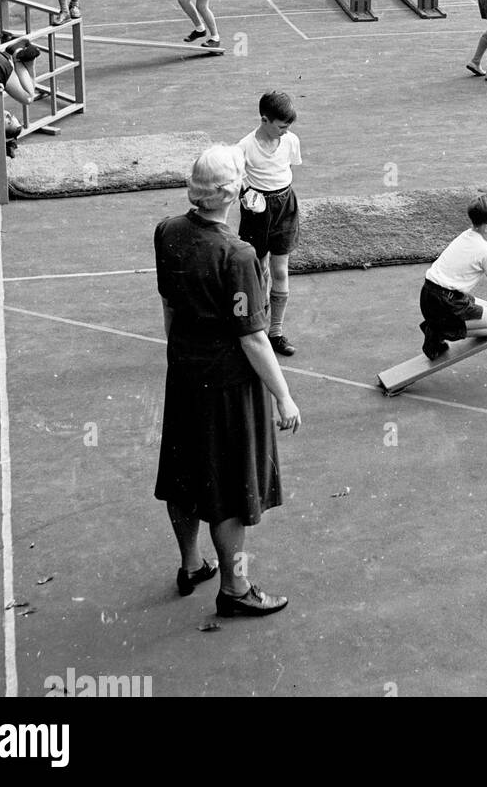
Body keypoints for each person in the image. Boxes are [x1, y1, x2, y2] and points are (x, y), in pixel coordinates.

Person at [154, 144, 300, 618]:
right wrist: (284, 397)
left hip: (184, 376)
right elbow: (254, 339)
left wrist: (181, 353)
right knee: (231, 491)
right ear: (230, 192)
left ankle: (192, 564)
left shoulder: (167, 232)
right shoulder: (237, 255)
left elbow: (170, 307)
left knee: (183, 476)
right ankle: (235, 588)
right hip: (228, 388)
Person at [419, 192, 487, 360]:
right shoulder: (486, 251)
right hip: (446, 303)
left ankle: (439, 323)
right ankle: (439, 330)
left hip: (431, 294)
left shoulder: (467, 235)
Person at [237, 91, 303, 357]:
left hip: (285, 206)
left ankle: (275, 332)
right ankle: (258, 328)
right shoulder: (244, 147)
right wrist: (247, 194)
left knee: (280, 271)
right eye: (281, 126)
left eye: (289, 126)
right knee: (259, 268)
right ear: (264, 120)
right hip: (258, 211)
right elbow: (238, 178)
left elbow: (288, 170)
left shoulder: (290, 141)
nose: (286, 131)